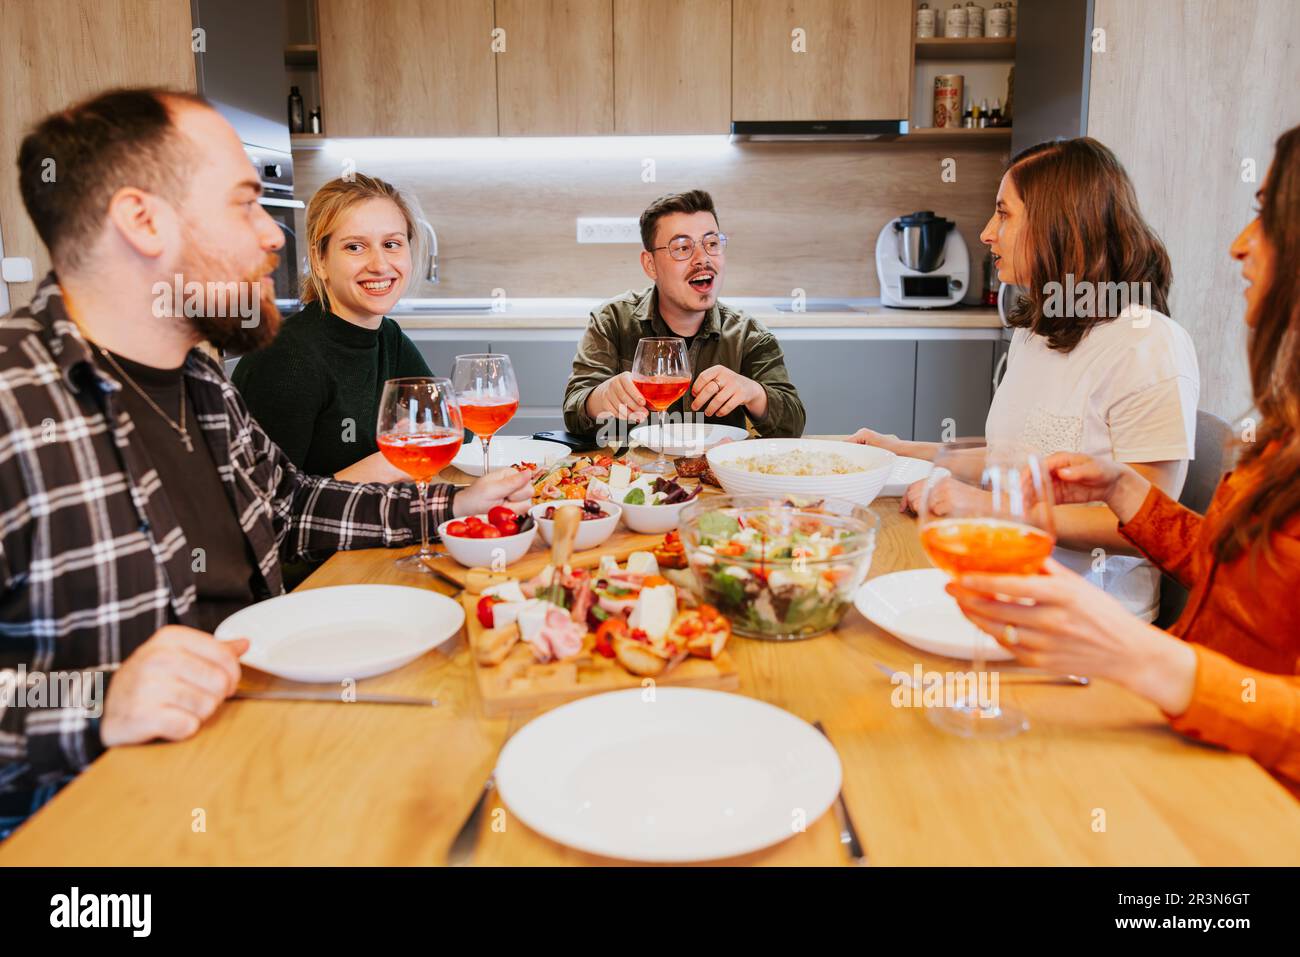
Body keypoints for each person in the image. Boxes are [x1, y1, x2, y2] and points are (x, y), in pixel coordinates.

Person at [0, 87, 532, 835]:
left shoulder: (200, 376)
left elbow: (293, 504)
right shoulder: (13, 404)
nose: (277, 236)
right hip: (107, 827)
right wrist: (98, 699)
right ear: (142, 221)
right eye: (246, 204)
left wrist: (454, 507)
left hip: (264, 749)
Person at [947, 124, 1300, 799]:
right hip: (1200, 732)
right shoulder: (1285, 432)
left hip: (1252, 786)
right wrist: (1126, 495)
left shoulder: (1147, 343)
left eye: (1268, 215)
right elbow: (1231, 562)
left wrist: (1150, 657)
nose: (1239, 244)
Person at [852, 138, 1199, 622]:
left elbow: (1145, 528)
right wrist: (907, 450)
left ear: (1061, 222)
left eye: (1004, 214)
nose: (987, 234)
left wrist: (987, 507)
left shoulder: (1149, 344)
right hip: (1000, 582)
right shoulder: (1039, 329)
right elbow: (1017, 457)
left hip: (1087, 624)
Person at [232, 173, 431, 483]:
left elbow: (452, 429)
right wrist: (380, 467)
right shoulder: (287, 358)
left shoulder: (387, 337)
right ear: (320, 260)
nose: (379, 264)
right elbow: (263, 507)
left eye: (391, 244)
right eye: (355, 247)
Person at [563, 189, 805, 440]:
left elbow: (792, 425)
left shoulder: (749, 335)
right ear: (650, 265)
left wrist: (755, 393)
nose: (702, 259)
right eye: (682, 248)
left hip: (712, 475)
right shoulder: (611, 321)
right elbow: (574, 411)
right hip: (631, 473)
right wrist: (599, 398)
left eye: (711, 244)